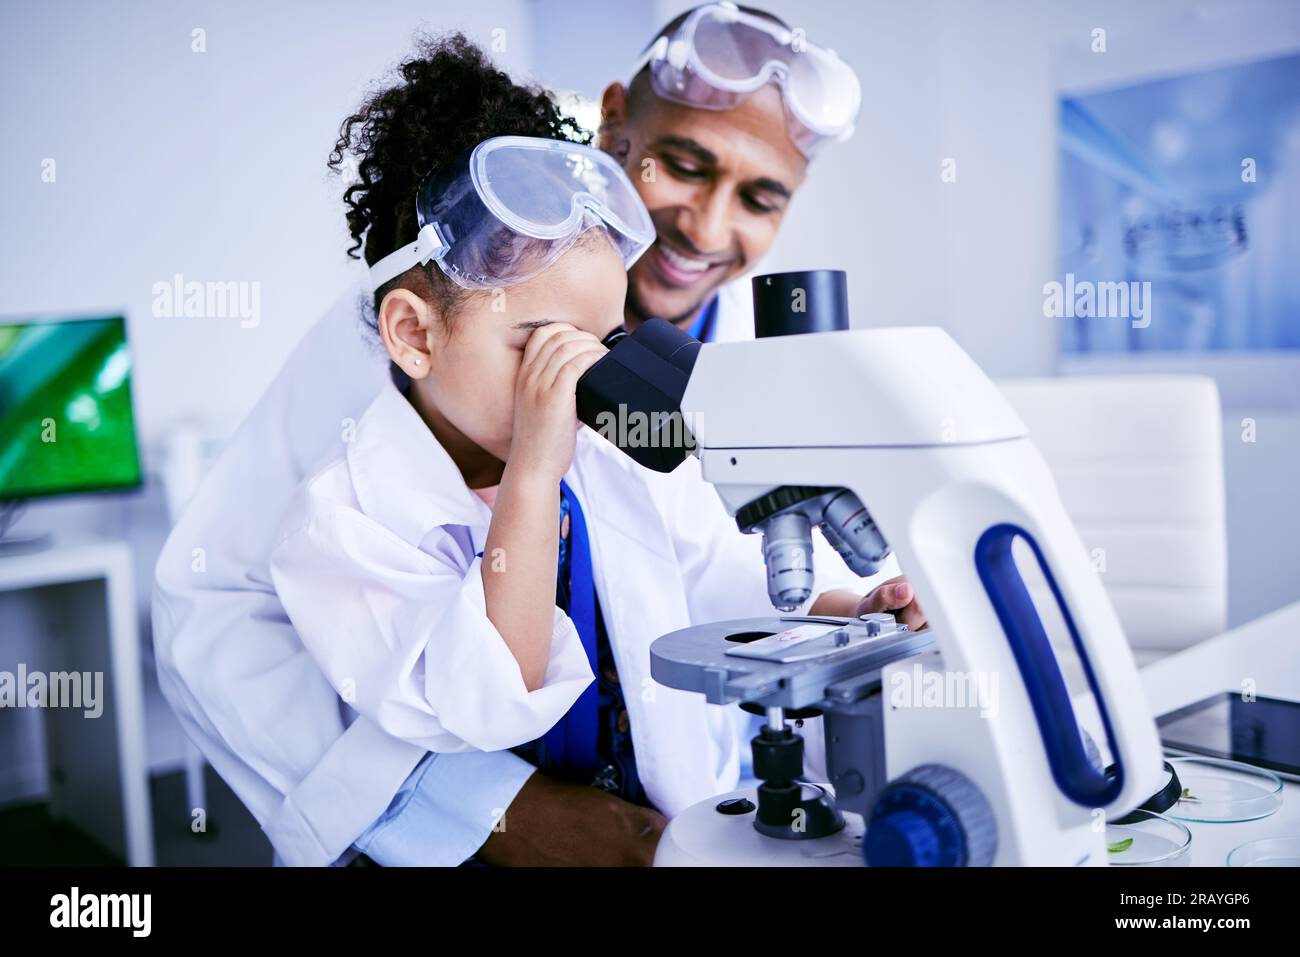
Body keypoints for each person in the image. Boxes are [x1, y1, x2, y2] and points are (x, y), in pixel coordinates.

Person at [153, 19, 917, 869]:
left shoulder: (601, 410)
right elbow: (220, 605)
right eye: (688, 165)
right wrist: (479, 811)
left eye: (760, 196)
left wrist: (837, 613)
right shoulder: (392, 384)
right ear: (617, 125)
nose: (705, 225)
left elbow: (711, 570)